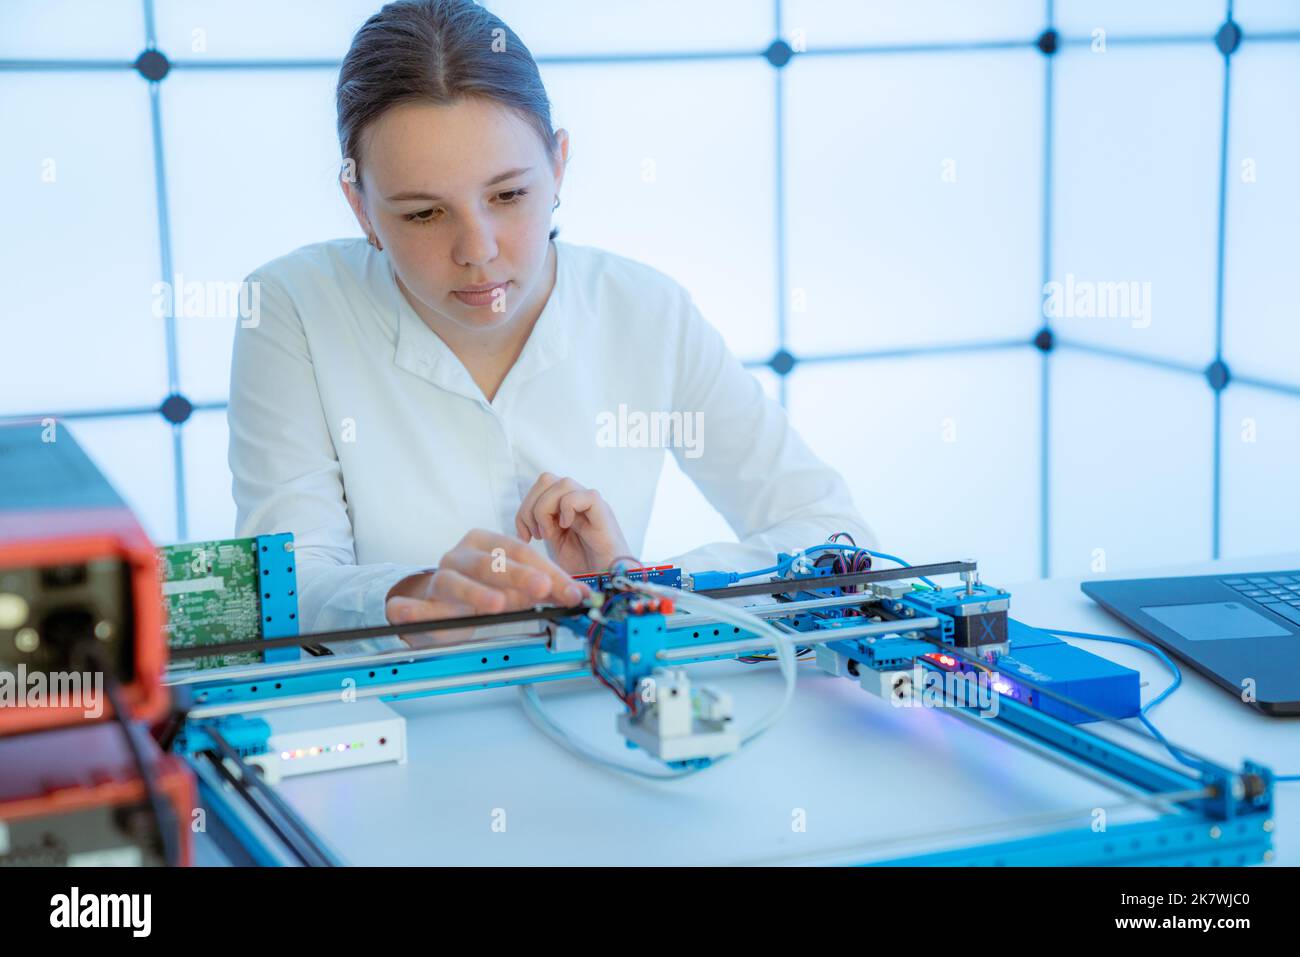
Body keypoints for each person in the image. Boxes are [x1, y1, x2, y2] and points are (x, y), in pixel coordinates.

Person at [227, 0, 874, 652]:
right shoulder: (294, 307)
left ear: (558, 165)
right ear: (360, 206)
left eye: (508, 195)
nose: (476, 249)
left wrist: (638, 585)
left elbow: (834, 537)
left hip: (611, 715)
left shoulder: (646, 311)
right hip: (396, 732)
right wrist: (408, 596)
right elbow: (284, 587)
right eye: (423, 213)